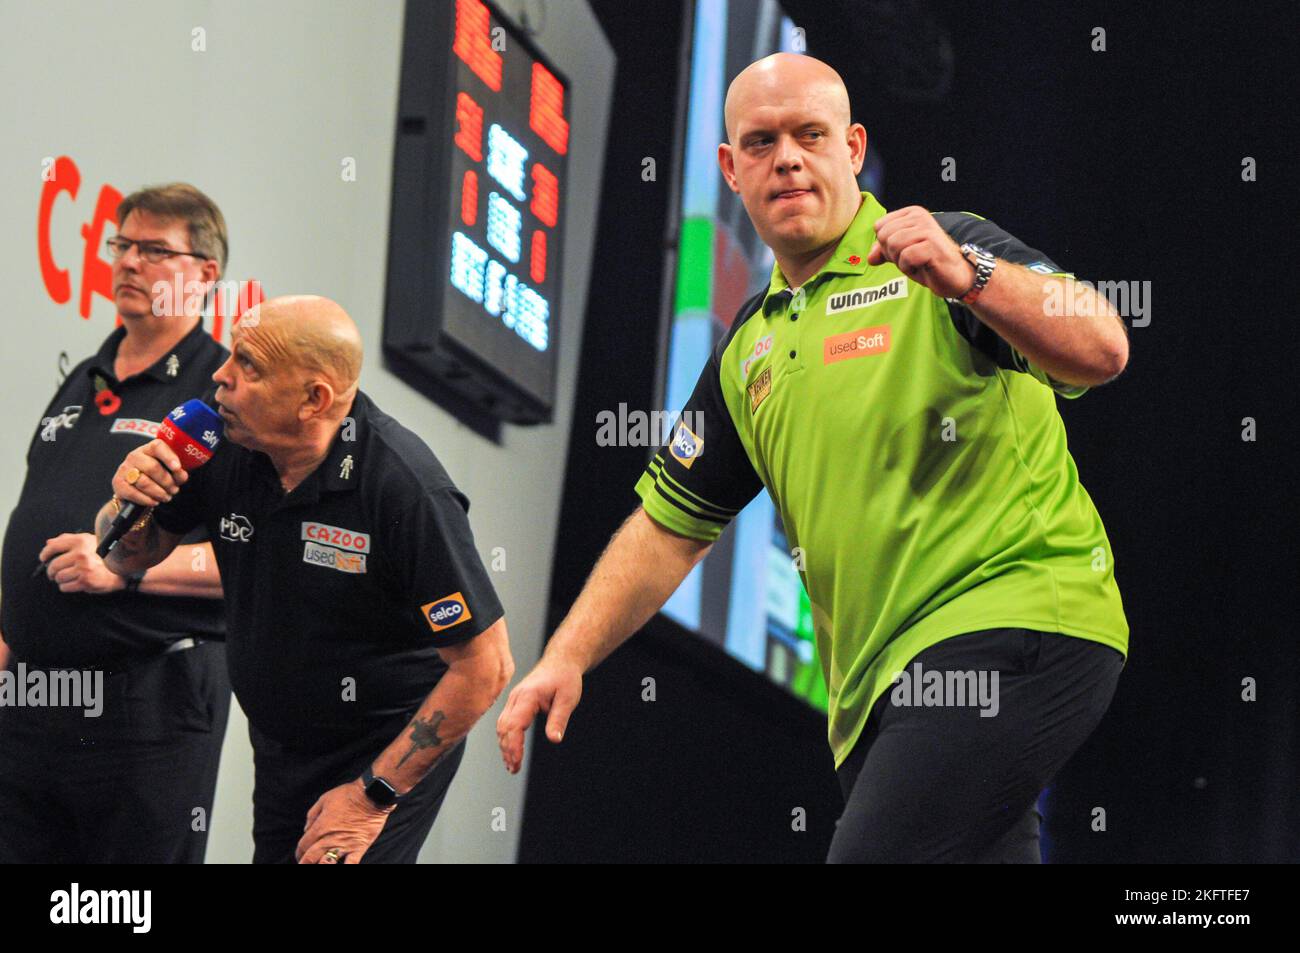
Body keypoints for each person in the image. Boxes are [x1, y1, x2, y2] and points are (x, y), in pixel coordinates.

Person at [497, 53, 1131, 863]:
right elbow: (669, 527)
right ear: (730, 168)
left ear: (854, 148)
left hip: (1010, 625)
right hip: (873, 693)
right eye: (760, 142)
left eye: (810, 134)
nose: (787, 157)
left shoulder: (944, 252)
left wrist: (970, 276)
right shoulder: (747, 349)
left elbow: (1102, 346)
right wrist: (567, 655)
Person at [99, 294, 512, 864]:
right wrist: (129, 501)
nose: (221, 375)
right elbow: (125, 560)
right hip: (282, 743)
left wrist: (374, 796)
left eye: (249, 365)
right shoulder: (221, 436)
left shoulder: (404, 489)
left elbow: (485, 666)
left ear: (313, 399)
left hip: (382, 748)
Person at [0, 183, 232, 863]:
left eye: (155, 249)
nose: (129, 262)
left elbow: (252, 557)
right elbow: (30, 514)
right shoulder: (86, 377)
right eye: (121, 244)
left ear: (205, 274)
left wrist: (126, 572)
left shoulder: (223, 392)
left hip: (147, 704)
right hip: (31, 697)